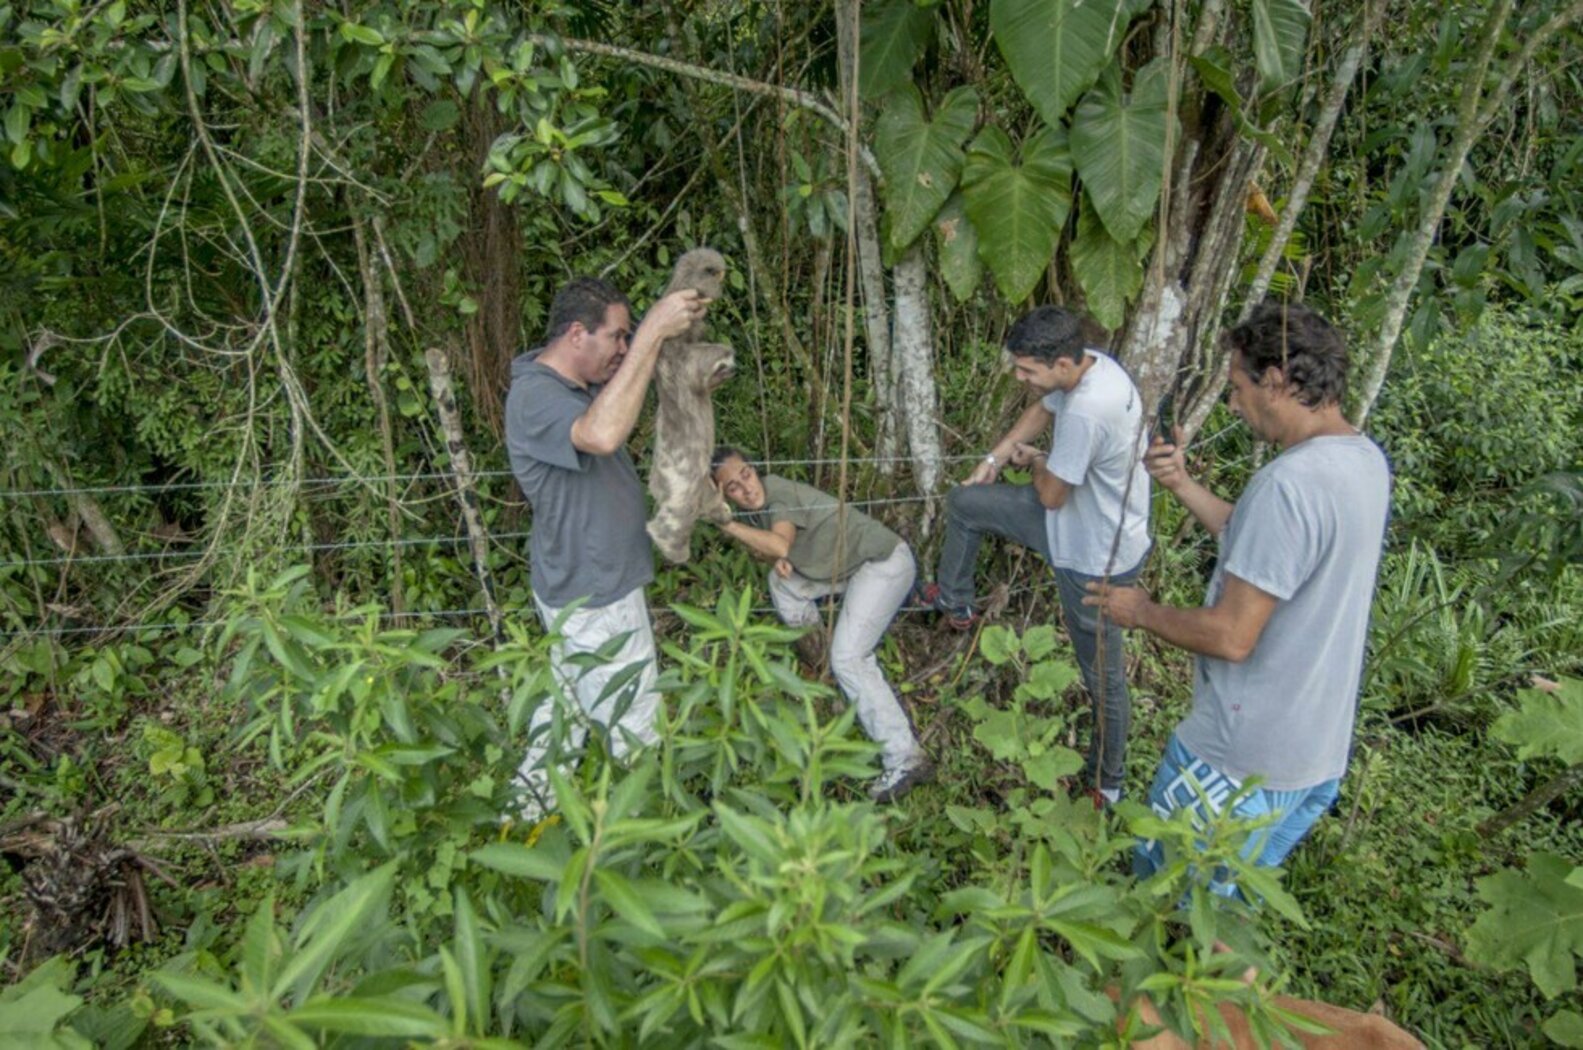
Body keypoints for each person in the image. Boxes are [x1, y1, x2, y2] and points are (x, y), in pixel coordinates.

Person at [1082, 301, 1391, 895]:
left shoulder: (1288, 484)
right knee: (1225, 922)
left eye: (1237, 386)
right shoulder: (1362, 460)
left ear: (1275, 382)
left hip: (1236, 763)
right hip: (1313, 761)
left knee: (1165, 904)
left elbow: (1231, 635)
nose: (1232, 403)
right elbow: (1267, 551)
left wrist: (1140, 611)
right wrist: (1182, 484)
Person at [914, 305, 1151, 804]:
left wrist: (1038, 459)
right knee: (966, 503)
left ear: (1062, 364)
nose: (1020, 379)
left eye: (1027, 370)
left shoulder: (1089, 409)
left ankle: (1107, 783)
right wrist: (995, 458)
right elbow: (1045, 409)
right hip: (1070, 524)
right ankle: (955, 601)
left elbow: (1050, 495)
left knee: (1101, 679)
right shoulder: (1095, 366)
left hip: (1093, 556)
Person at [503, 276, 707, 820]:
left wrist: (663, 340)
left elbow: (628, 397)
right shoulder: (535, 396)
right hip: (593, 594)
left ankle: (522, 818)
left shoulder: (577, 384)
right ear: (576, 333)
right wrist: (651, 335)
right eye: (616, 336)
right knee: (636, 725)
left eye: (626, 337)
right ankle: (648, 838)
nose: (621, 348)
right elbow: (601, 436)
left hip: (589, 581)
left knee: (566, 710)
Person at [710, 447, 933, 802]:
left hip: (882, 564)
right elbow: (772, 548)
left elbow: (779, 542)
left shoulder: (778, 491)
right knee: (781, 584)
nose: (747, 489)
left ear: (756, 469)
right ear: (723, 495)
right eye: (733, 488)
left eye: (747, 474)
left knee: (850, 657)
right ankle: (823, 664)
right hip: (846, 570)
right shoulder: (756, 511)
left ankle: (904, 755)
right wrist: (779, 556)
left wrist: (729, 524)